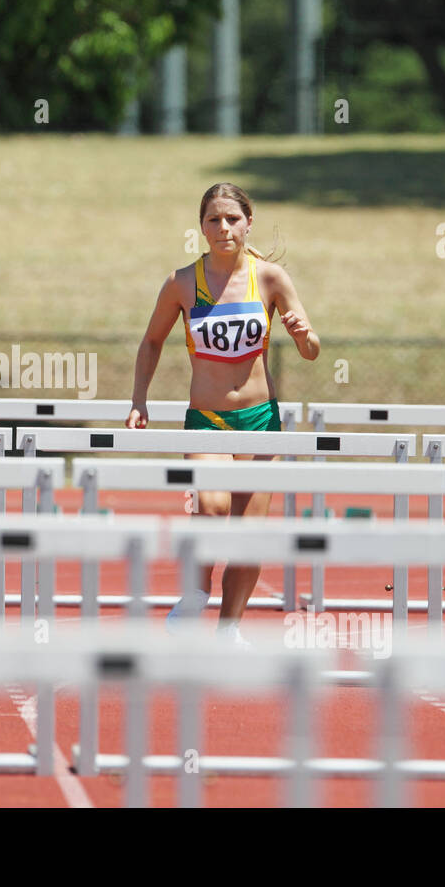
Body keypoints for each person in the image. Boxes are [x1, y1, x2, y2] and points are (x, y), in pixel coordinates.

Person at [126, 182, 320, 647]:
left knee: (249, 537)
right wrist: (139, 399)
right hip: (207, 418)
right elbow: (151, 341)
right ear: (201, 227)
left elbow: (312, 352)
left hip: (260, 420)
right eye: (214, 220)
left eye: (232, 219)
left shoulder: (270, 278)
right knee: (211, 508)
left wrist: (302, 334)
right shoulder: (181, 282)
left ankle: (228, 630)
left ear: (248, 222)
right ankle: (195, 593)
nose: (224, 228)